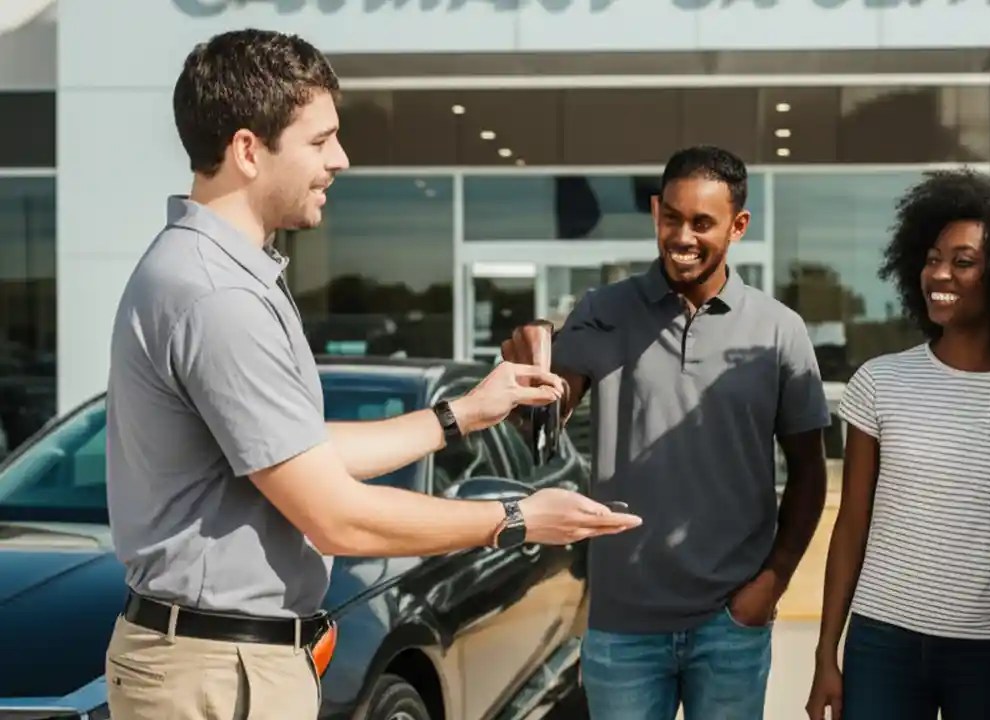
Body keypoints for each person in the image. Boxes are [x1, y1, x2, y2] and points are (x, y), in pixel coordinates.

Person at [103, 29, 640, 720]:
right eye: (321, 140)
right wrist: (518, 519)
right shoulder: (217, 296)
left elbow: (301, 451)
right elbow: (335, 517)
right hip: (218, 676)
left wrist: (461, 415)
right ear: (246, 150)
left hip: (228, 663)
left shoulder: (221, 276)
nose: (341, 159)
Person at [501, 145, 832, 719]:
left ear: (738, 226)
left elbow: (809, 472)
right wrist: (531, 385)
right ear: (656, 211)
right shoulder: (604, 309)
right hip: (623, 626)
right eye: (672, 217)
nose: (683, 236)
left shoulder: (780, 330)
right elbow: (554, 404)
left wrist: (770, 586)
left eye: (702, 223)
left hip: (731, 623)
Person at [804, 171, 990, 720]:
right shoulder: (881, 381)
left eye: (962, 261)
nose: (940, 274)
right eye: (931, 258)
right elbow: (853, 521)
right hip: (883, 643)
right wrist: (825, 652)